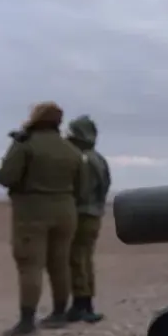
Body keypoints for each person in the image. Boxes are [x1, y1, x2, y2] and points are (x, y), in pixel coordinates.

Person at [0, 102, 87, 336]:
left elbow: (6, 177)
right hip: (65, 211)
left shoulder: (26, 144)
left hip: (32, 213)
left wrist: (15, 146)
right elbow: (81, 187)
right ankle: (59, 313)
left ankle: (27, 320)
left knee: (30, 265)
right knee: (60, 263)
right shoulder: (71, 150)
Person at [65, 115, 111, 324]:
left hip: (82, 213)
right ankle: (86, 302)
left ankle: (81, 304)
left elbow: (81, 190)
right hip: (94, 213)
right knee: (85, 259)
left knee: (77, 259)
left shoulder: (83, 158)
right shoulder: (98, 158)